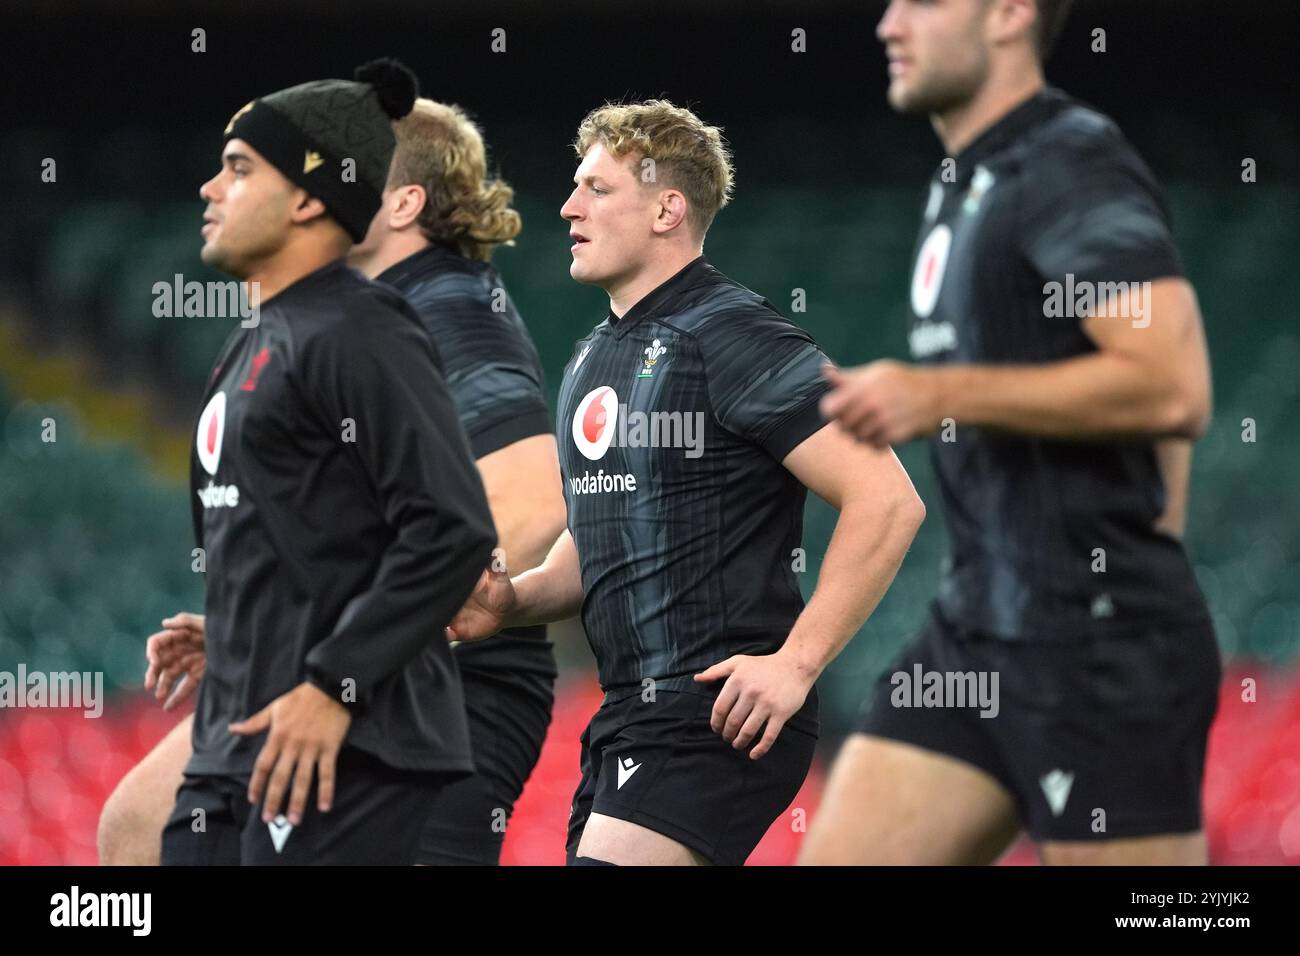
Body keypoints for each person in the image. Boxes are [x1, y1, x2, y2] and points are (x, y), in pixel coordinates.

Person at [448, 100, 926, 866]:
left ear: (668, 207)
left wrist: (795, 664)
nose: (569, 206)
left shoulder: (736, 333)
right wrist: (516, 598)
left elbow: (889, 498)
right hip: (628, 719)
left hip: (715, 714)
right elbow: (598, 535)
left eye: (597, 189)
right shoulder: (588, 359)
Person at [803, 0, 1219, 865]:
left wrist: (938, 392)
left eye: (922, 2)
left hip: (1096, 644)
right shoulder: (966, 181)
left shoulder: (1066, 156)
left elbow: (1171, 387)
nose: (888, 23)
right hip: (976, 628)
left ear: (1008, 14)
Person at [157, 60, 497, 865]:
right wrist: (246, 630)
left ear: (309, 196)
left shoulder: (360, 328)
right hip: (235, 739)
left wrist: (332, 684)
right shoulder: (254, 338)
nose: (210, 189)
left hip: (341, 748)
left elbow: (451, 526)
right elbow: (322, 535)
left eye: (238, 169)